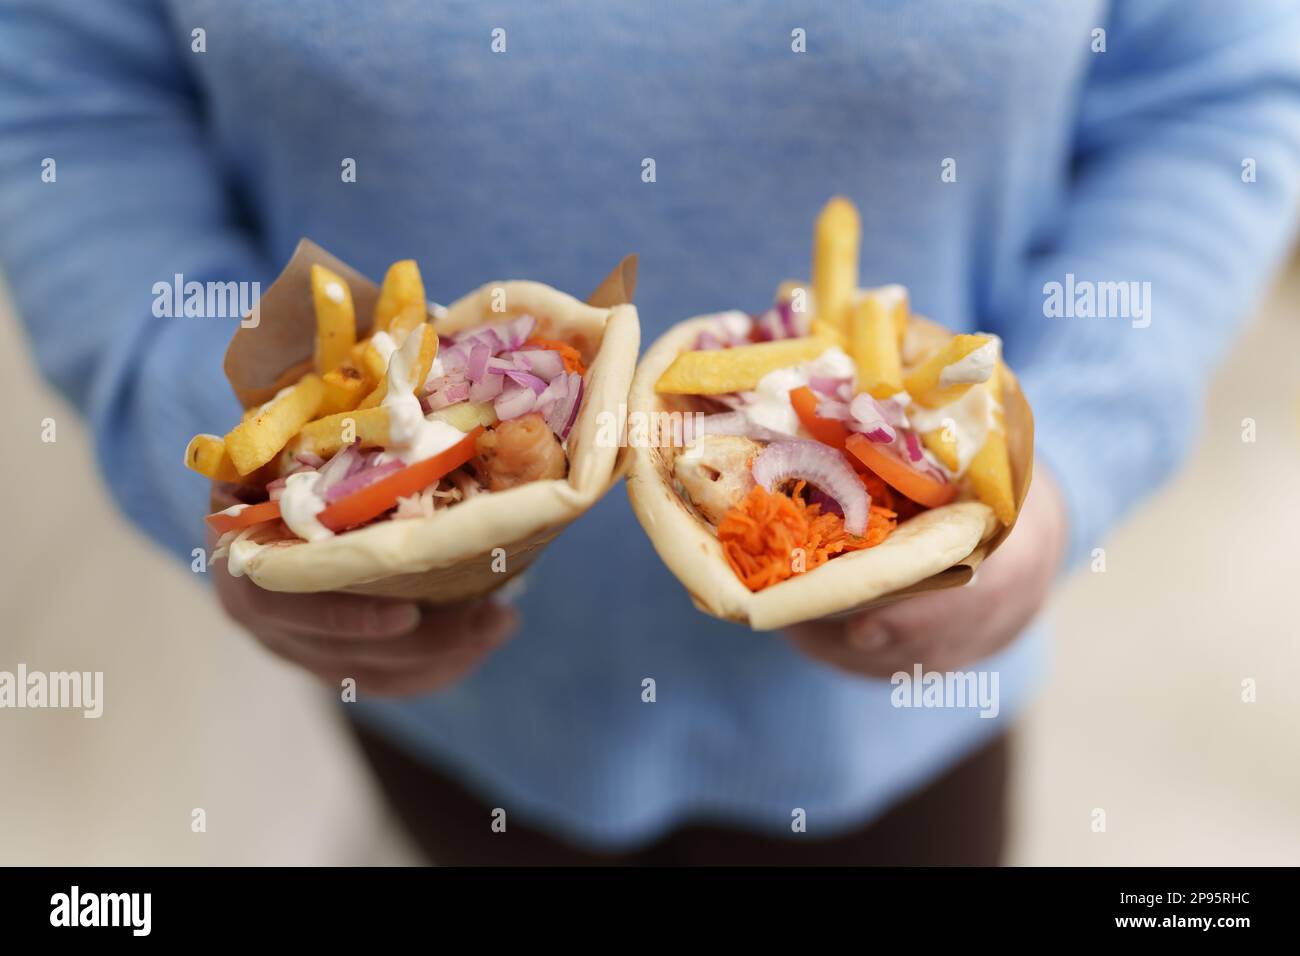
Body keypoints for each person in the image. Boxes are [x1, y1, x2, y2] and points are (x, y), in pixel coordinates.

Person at [2, 2, 1297, 866]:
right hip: (454, 729)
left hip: (902, 735)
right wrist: (229, 457)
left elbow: (1223, 93)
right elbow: (65, 103)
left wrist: (1061, 451)